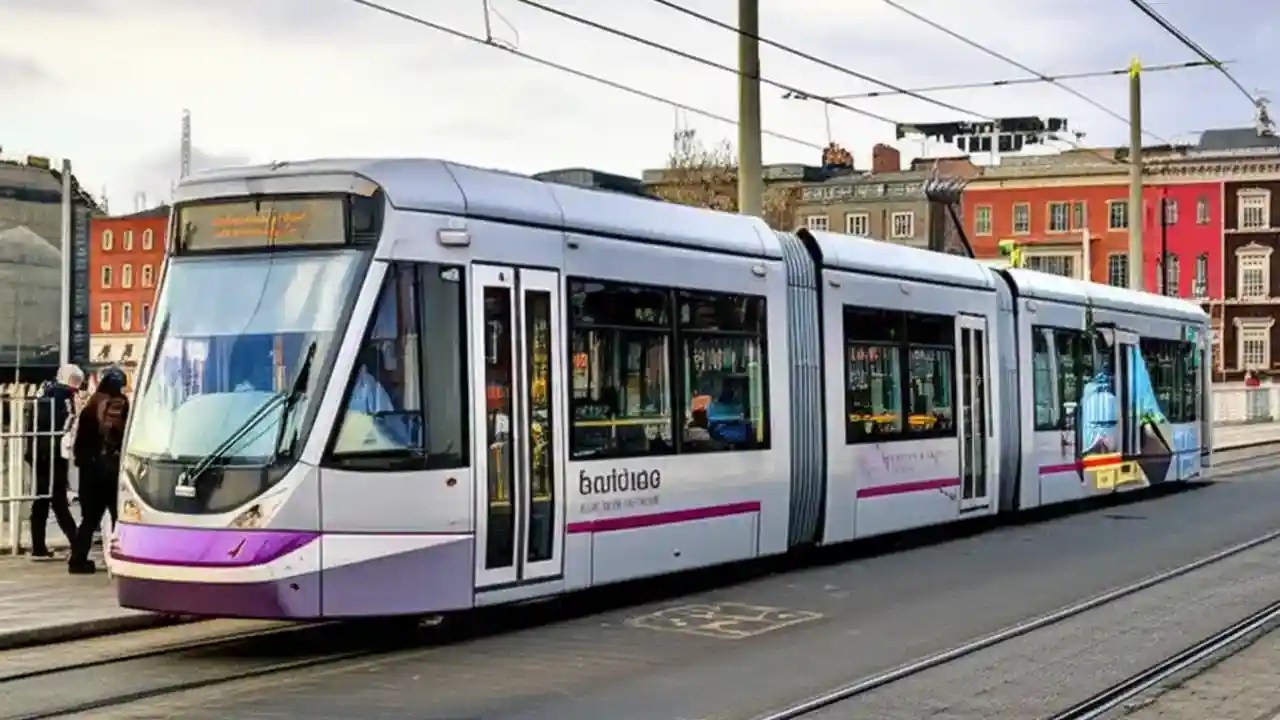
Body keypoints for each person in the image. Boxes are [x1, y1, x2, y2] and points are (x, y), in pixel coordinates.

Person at [68, 365, 129, 574]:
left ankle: (77, 559)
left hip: (90, 470)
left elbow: (80, 441)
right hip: (112, 469)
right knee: (118, 516)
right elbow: (123, 436)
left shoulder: (91, 405)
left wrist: (83, 463)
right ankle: (122, 557)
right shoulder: (121, 404)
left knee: (90, 518)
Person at [24, 364, 83, 559]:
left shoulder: (44, 391)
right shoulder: (64, 396)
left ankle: (39, 545)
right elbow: (66, 424)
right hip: (52, 453)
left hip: (36, 450)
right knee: (57, 499)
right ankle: (76, 543)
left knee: (42, 499)